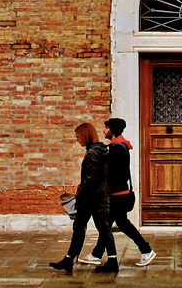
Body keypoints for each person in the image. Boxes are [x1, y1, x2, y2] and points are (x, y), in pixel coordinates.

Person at [79, 117, 155, 267]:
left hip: (117, 193)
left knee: (120, 224)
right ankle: (96, 254)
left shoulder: (117, 147)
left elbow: (117, 173)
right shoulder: (119, 145)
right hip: (118, 192)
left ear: (112, 130)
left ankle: (146, 250)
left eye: (106, 128)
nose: (103, 130)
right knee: (109, 224)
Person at [49, 122, 118, 273]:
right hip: (98, 197)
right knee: (89, 227)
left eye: (78, 136)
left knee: (92, 228)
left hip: (91, 199)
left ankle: (111, 261)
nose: (77, 139)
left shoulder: (92, 153)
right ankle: (69, 259)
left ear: (85, 136)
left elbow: (91, 179)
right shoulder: (101, 151)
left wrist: (79, 193)